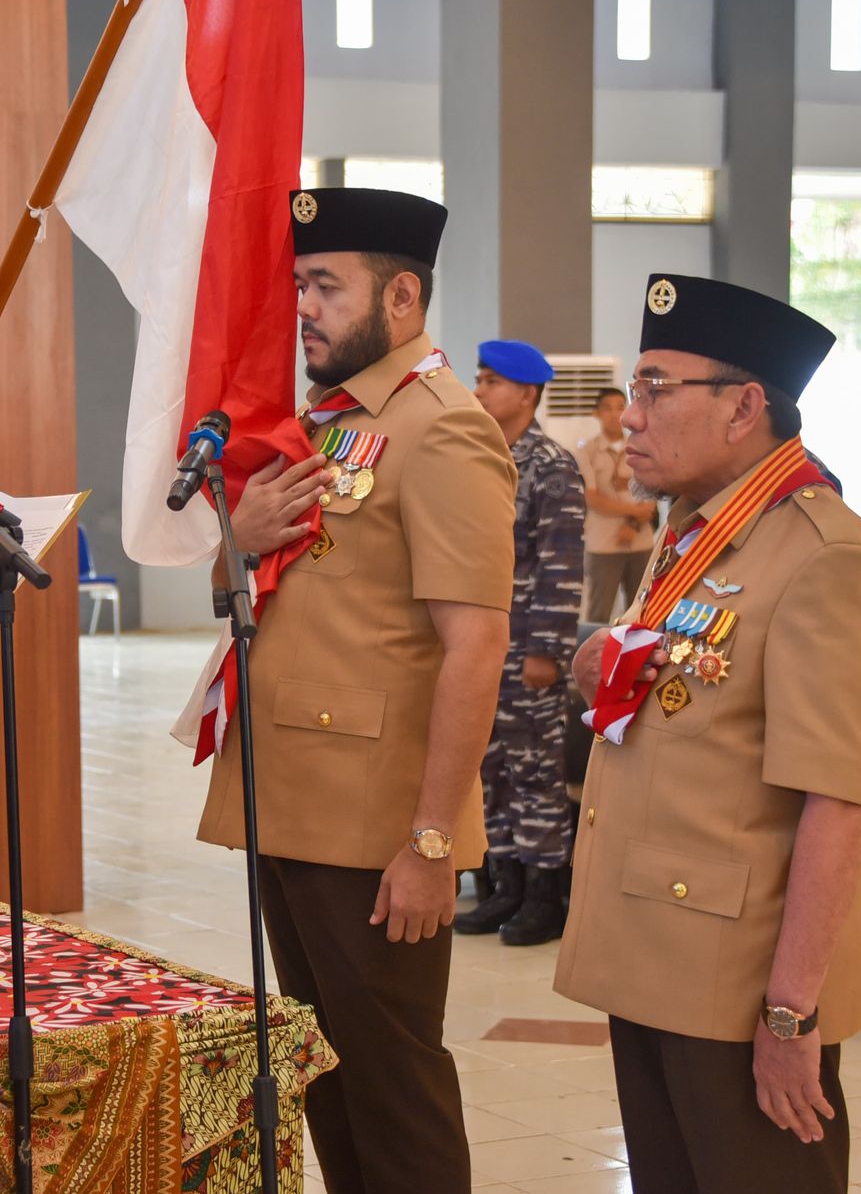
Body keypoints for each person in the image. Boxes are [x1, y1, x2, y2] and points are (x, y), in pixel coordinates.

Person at [196, 188, 516, 1193]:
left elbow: (474, 646)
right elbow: (258, 595)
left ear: (403, 295)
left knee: (393, 1082)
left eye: (326, 285)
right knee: (323, 1071)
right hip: (291, 804)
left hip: (377, 828)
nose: (303, 307)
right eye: (300, 284)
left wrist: (431, 840)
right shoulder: (323, 428)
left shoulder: (445, 430)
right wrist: (233, 544)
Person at [555, 274, 861, 1194]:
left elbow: (837, 801)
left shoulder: (824, 558)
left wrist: (790, 1013)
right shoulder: (696, 532)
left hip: (741, 983)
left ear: (746, 406)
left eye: (659, 386)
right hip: (659, 955)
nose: (631, 414)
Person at [456, 339, 584, 945]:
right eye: (479, 380)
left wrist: (546, 652)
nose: (479, 392)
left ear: (527, 394)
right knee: (493, 770)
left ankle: (543, 895)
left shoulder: (550, 466)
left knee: (536, 772)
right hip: (479, 647)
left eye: (491, 382)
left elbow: (562, 565)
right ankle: (503, 886)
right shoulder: (479, 457)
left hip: (526, 646)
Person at [576, 386, 657, 623]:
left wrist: (633, 523)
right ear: (596, 413)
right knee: (599, 614)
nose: (614, 414)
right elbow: (593, 499)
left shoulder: (644, 446)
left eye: (620, 407)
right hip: (604, 544)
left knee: (643, 612)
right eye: (607, 408)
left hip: (641, 541)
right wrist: (635, 511)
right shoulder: (586, 451)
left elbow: (652, 495)